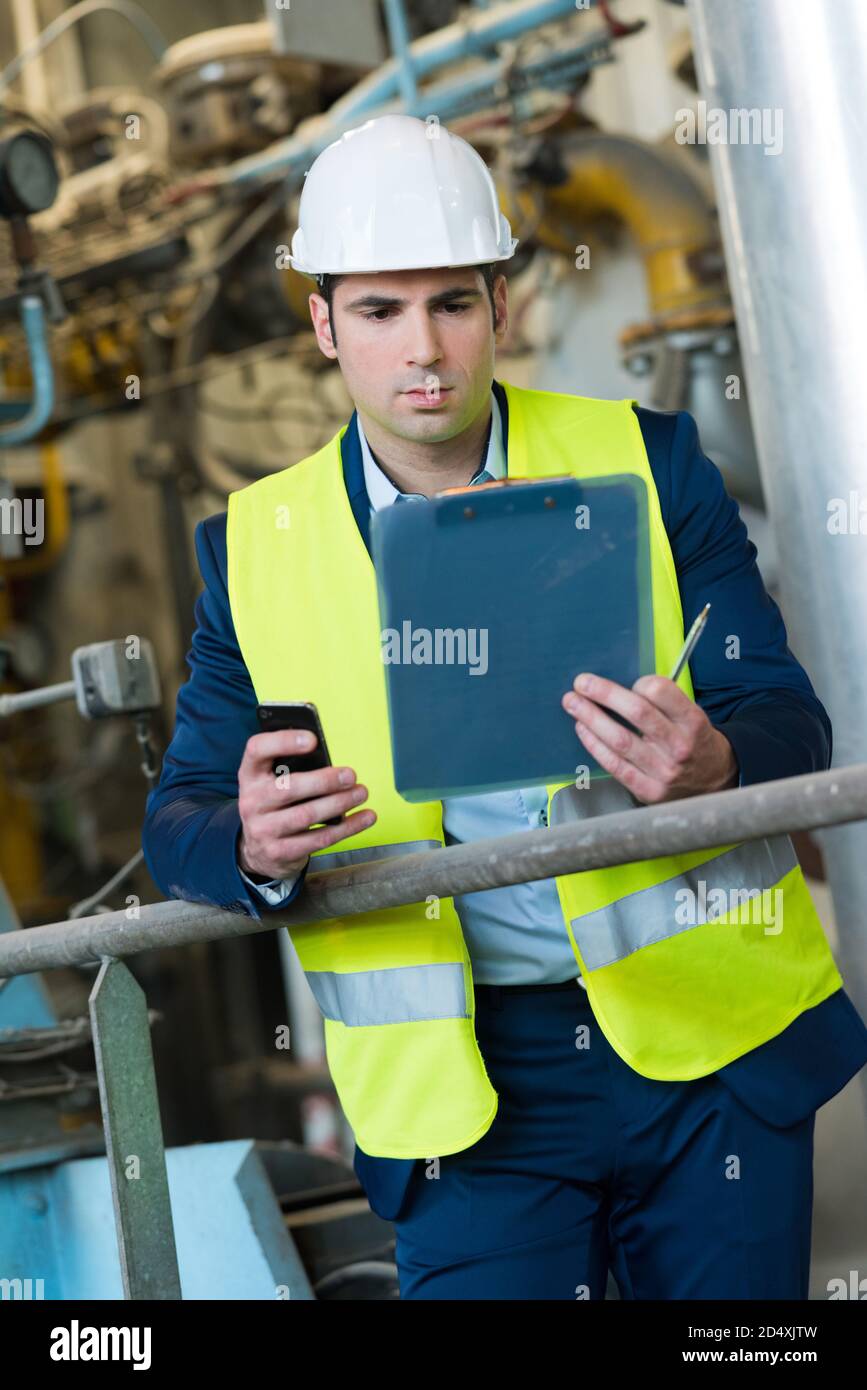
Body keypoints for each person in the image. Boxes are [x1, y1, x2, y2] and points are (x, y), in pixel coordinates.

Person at [142, 114, 867, 1300]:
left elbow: (788, 718)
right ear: (323, 323)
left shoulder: (648, 459)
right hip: (467, 1104)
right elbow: (178, 823)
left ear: (503, 307)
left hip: (708, 1061)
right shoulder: (255, 551)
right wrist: (250, 845)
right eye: (379, 310)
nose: (423, 348)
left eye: (453, 302)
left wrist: (718, 757)